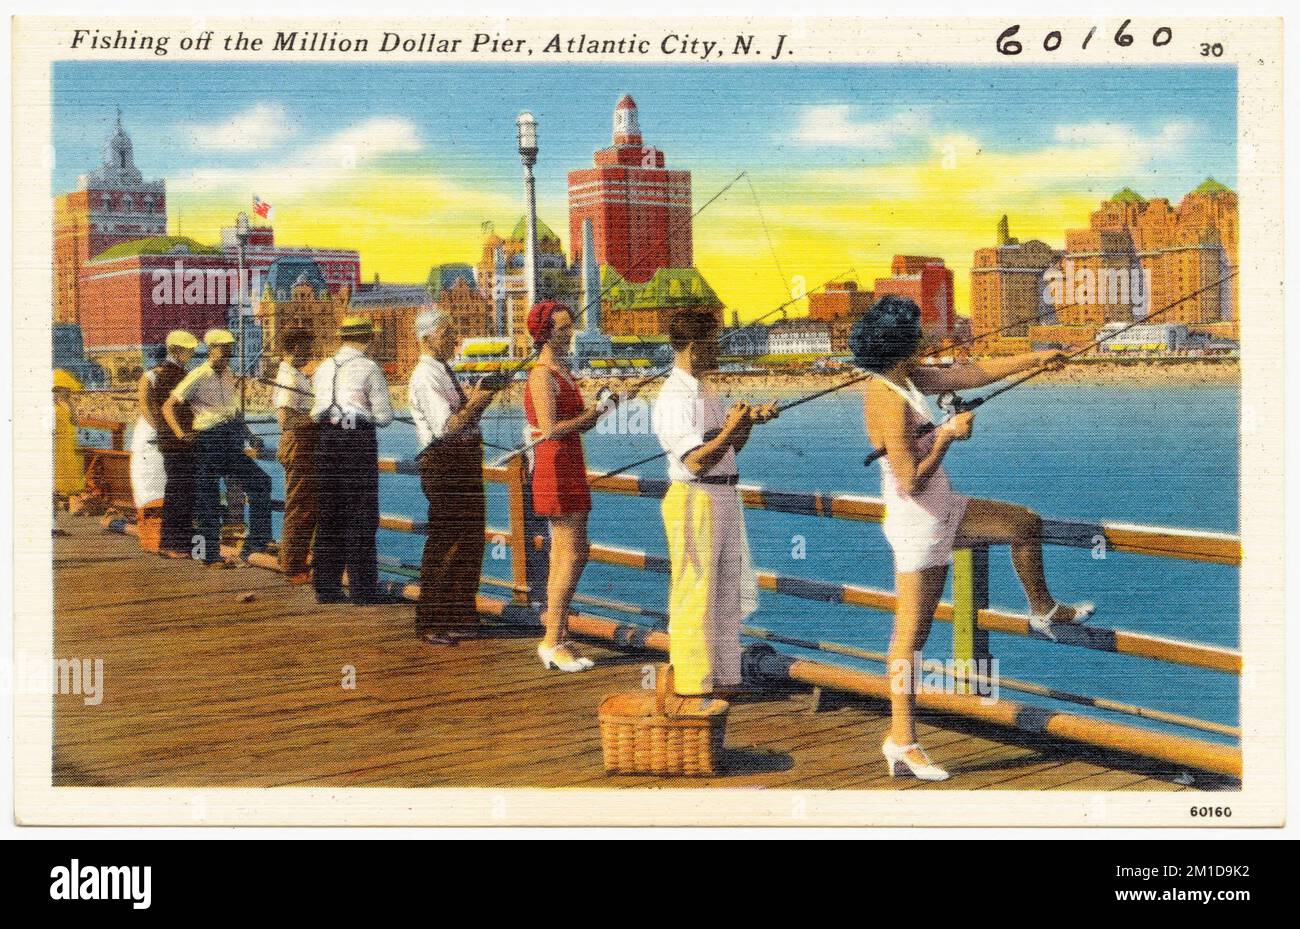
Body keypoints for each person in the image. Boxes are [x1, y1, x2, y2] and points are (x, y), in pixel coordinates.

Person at [852, 295, 1094, 781]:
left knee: (1023, 523)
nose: (924, 338)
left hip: (945, 508)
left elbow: (973, 372)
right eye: (916, 332)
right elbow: (908, 479)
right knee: (911, 637)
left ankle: (1042, 608)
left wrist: (1037, 357)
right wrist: (946, 436)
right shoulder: (885, 397)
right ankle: (901, 741)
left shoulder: (906, 378)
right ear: (900, 343)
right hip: (918, 523)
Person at [651, 309, 778, 698]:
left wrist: (745, 425)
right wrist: (727, 428)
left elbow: (728, 450)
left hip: (723, 493)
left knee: (724, 590)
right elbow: (695, 459)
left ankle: (724, 677)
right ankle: (692, 684)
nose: (718, 349)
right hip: (694, 496)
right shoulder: (673, 397)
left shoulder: (706, 390)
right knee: (695, 591)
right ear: (692, 347)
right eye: (712, 343)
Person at [525, 301, 636, 672]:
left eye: (570, 326)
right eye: (561, 328)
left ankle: (556, 636)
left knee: (565, 553)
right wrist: (600, 410)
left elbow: (578, 422)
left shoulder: (562, 371)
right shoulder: (542, 375)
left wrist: (612, 403)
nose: (569, 333)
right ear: (544, 333)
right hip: (555, 465)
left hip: (569, 461)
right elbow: (551, 428)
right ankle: (553, 639)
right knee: (573, 554)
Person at [407, 310, 502, 644]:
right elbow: (447, 427)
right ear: (427, 338)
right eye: (447, 332)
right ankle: (431, 621)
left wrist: (478, 399)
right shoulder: (425, 376)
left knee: (470, 540)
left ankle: (460, 615)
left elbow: (462, 417)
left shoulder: (442, 371)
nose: (454, 337)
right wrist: (476, 402)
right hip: (446, 464)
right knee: (446, 542)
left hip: (462, 463)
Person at [162, 328, 273, 565]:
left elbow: (234, 412)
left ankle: (258, 541)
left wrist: (250, 436)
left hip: (230, 438)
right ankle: (208, 555)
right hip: (209, 440)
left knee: (261, 481)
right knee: (208, 499)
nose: (228, 354)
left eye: (230, 350)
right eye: (224, 350)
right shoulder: (198, 375)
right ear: (211, 349)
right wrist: (181, 433)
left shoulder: (228, 374)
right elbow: (168, 406)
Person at [309, 315, 394, 604]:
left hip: (326, 439)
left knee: (329, 514)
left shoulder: (322, 368)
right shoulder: (369, 368)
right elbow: (384, 417)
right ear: (368, 339)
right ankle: (362, 589)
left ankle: (326, 587)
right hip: (356, 441)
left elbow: (316, 407)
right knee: (361, 514)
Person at [133, 330, 198, 555]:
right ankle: (173, 544)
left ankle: (179, 542)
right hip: (175, 441)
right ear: (177, 351)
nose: (191, 353)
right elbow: (150, 409)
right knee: (178, 491)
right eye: (188, 350)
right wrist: (167, 431)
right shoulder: (157, 375)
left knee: (182, 490)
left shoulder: (178, 373)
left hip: (179, 439)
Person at [274, 327, 318, 584]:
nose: (310, 352)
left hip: (303, 447)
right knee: (299, 506)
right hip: (299, 446)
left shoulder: (293, 374)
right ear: (298, 347)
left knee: (305, 506)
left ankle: (294, 561)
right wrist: (317, 417)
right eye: (308, 347)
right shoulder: (290, 378)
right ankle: (292, 566)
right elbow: (285, 419)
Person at [53, 369, 85, 504]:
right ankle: (62, 493)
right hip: (59, 440)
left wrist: (71, 404)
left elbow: (75, 422)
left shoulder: (65, 405)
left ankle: (69, 494)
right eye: (65, 390)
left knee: (71, 465)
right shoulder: (52, 407)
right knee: (61, 466)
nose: (67, 393)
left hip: (70, 438)